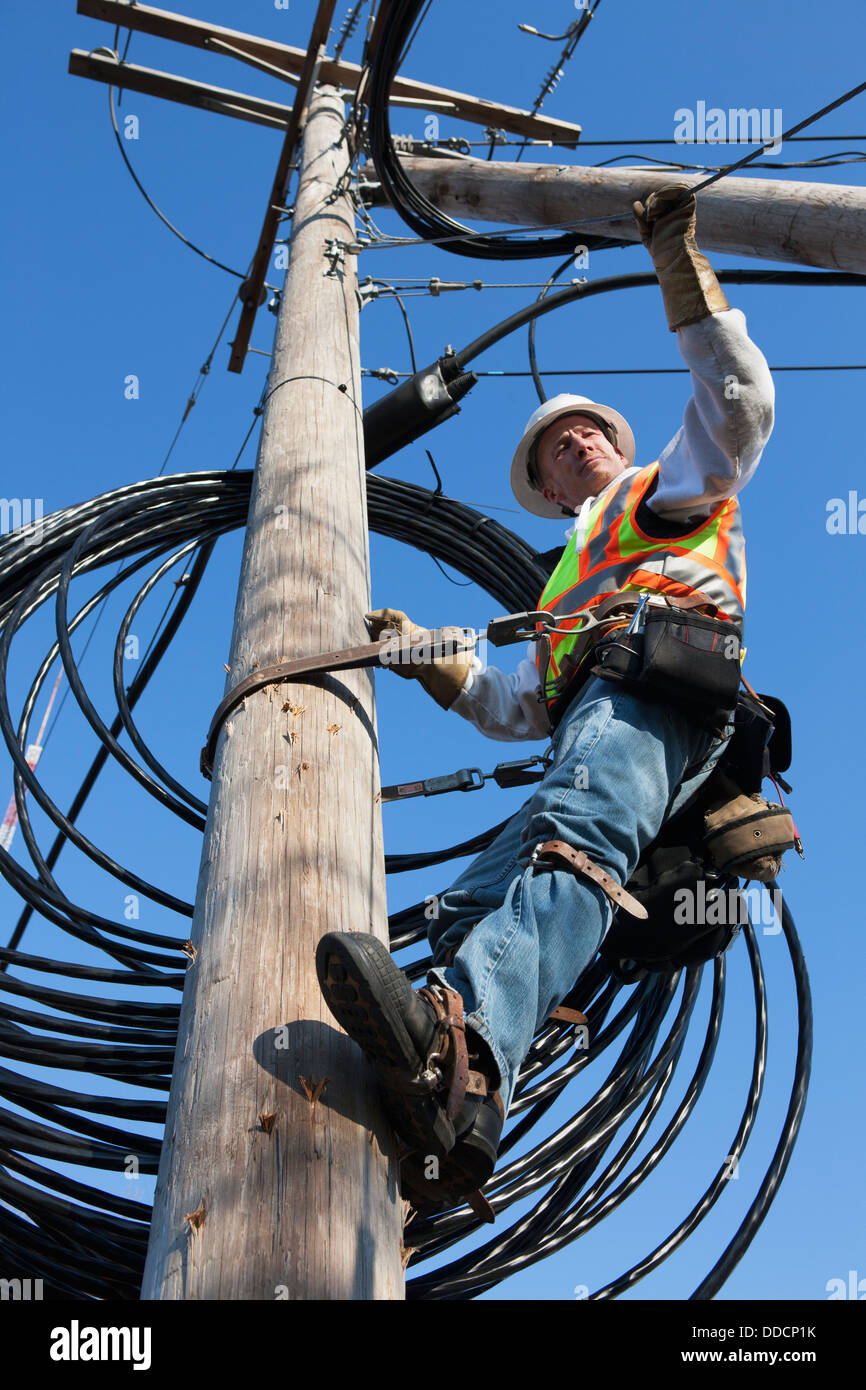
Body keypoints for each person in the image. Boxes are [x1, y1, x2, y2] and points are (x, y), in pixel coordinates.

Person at [316, 184, 775, 1217]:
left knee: (574, 843)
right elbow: (512, 707)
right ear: (548, 489)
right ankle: (457, 1112)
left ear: (614, 453)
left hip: (656, 691)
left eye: (586, 434)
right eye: (555, 448)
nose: (576, 445)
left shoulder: (660, 497)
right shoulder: (564, 582)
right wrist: (428, 658)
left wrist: (683, 280)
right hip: (593, 713)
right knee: (472, 898)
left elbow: (738, 407)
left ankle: (465, 1048)